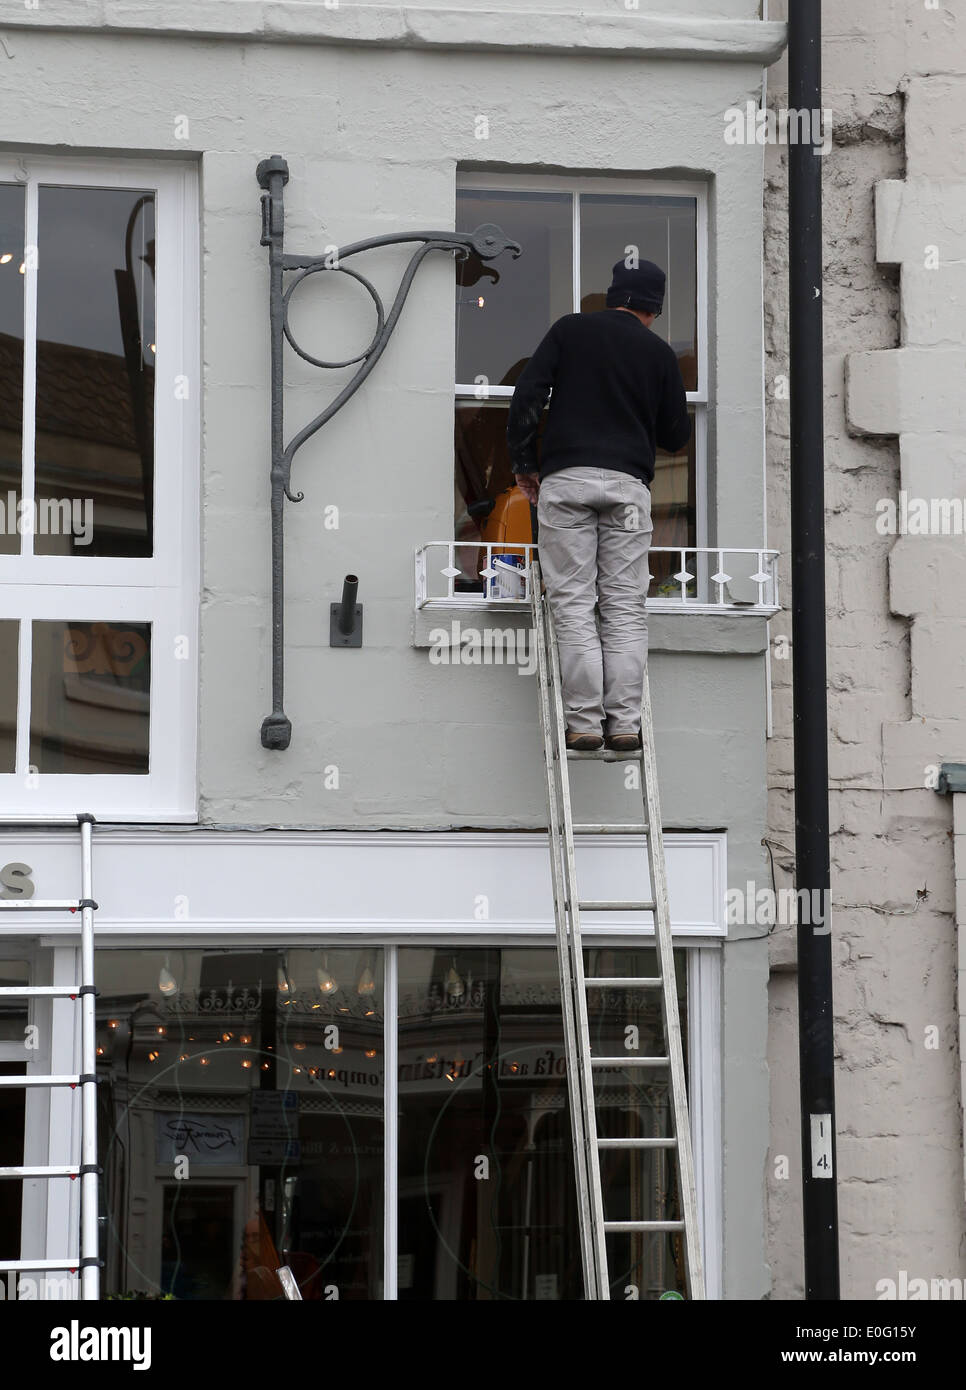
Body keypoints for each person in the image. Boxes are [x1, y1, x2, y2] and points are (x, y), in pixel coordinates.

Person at [506, 258, 691, 752]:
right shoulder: (659, 354)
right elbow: (676, 437)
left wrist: (525, 463)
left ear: (613, 296)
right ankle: (625, 724)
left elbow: (527, 394)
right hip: (629, 489)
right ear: (654, 308)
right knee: (625, 608)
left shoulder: (570, 330)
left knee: (572, 605)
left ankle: (585, 724)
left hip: (566, 482)